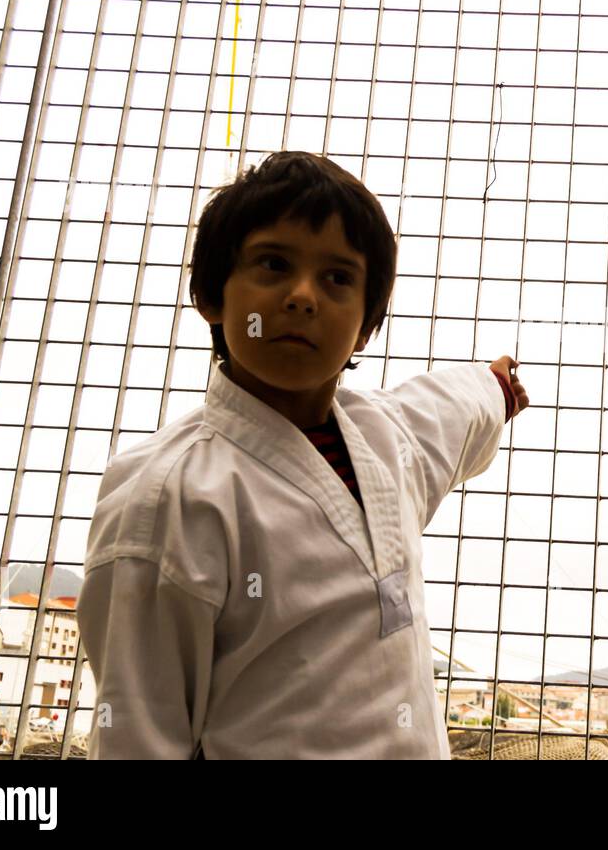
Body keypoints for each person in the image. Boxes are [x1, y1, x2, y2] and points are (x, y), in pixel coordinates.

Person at [78, 151, 528, 758]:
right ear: (211, 296)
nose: (303, 296)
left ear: (365, 326)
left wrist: (497, 388)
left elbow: (455, 405)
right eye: (273, 264)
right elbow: (137, 732)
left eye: (338, 278)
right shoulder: (171, 497)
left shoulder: (387, 440)